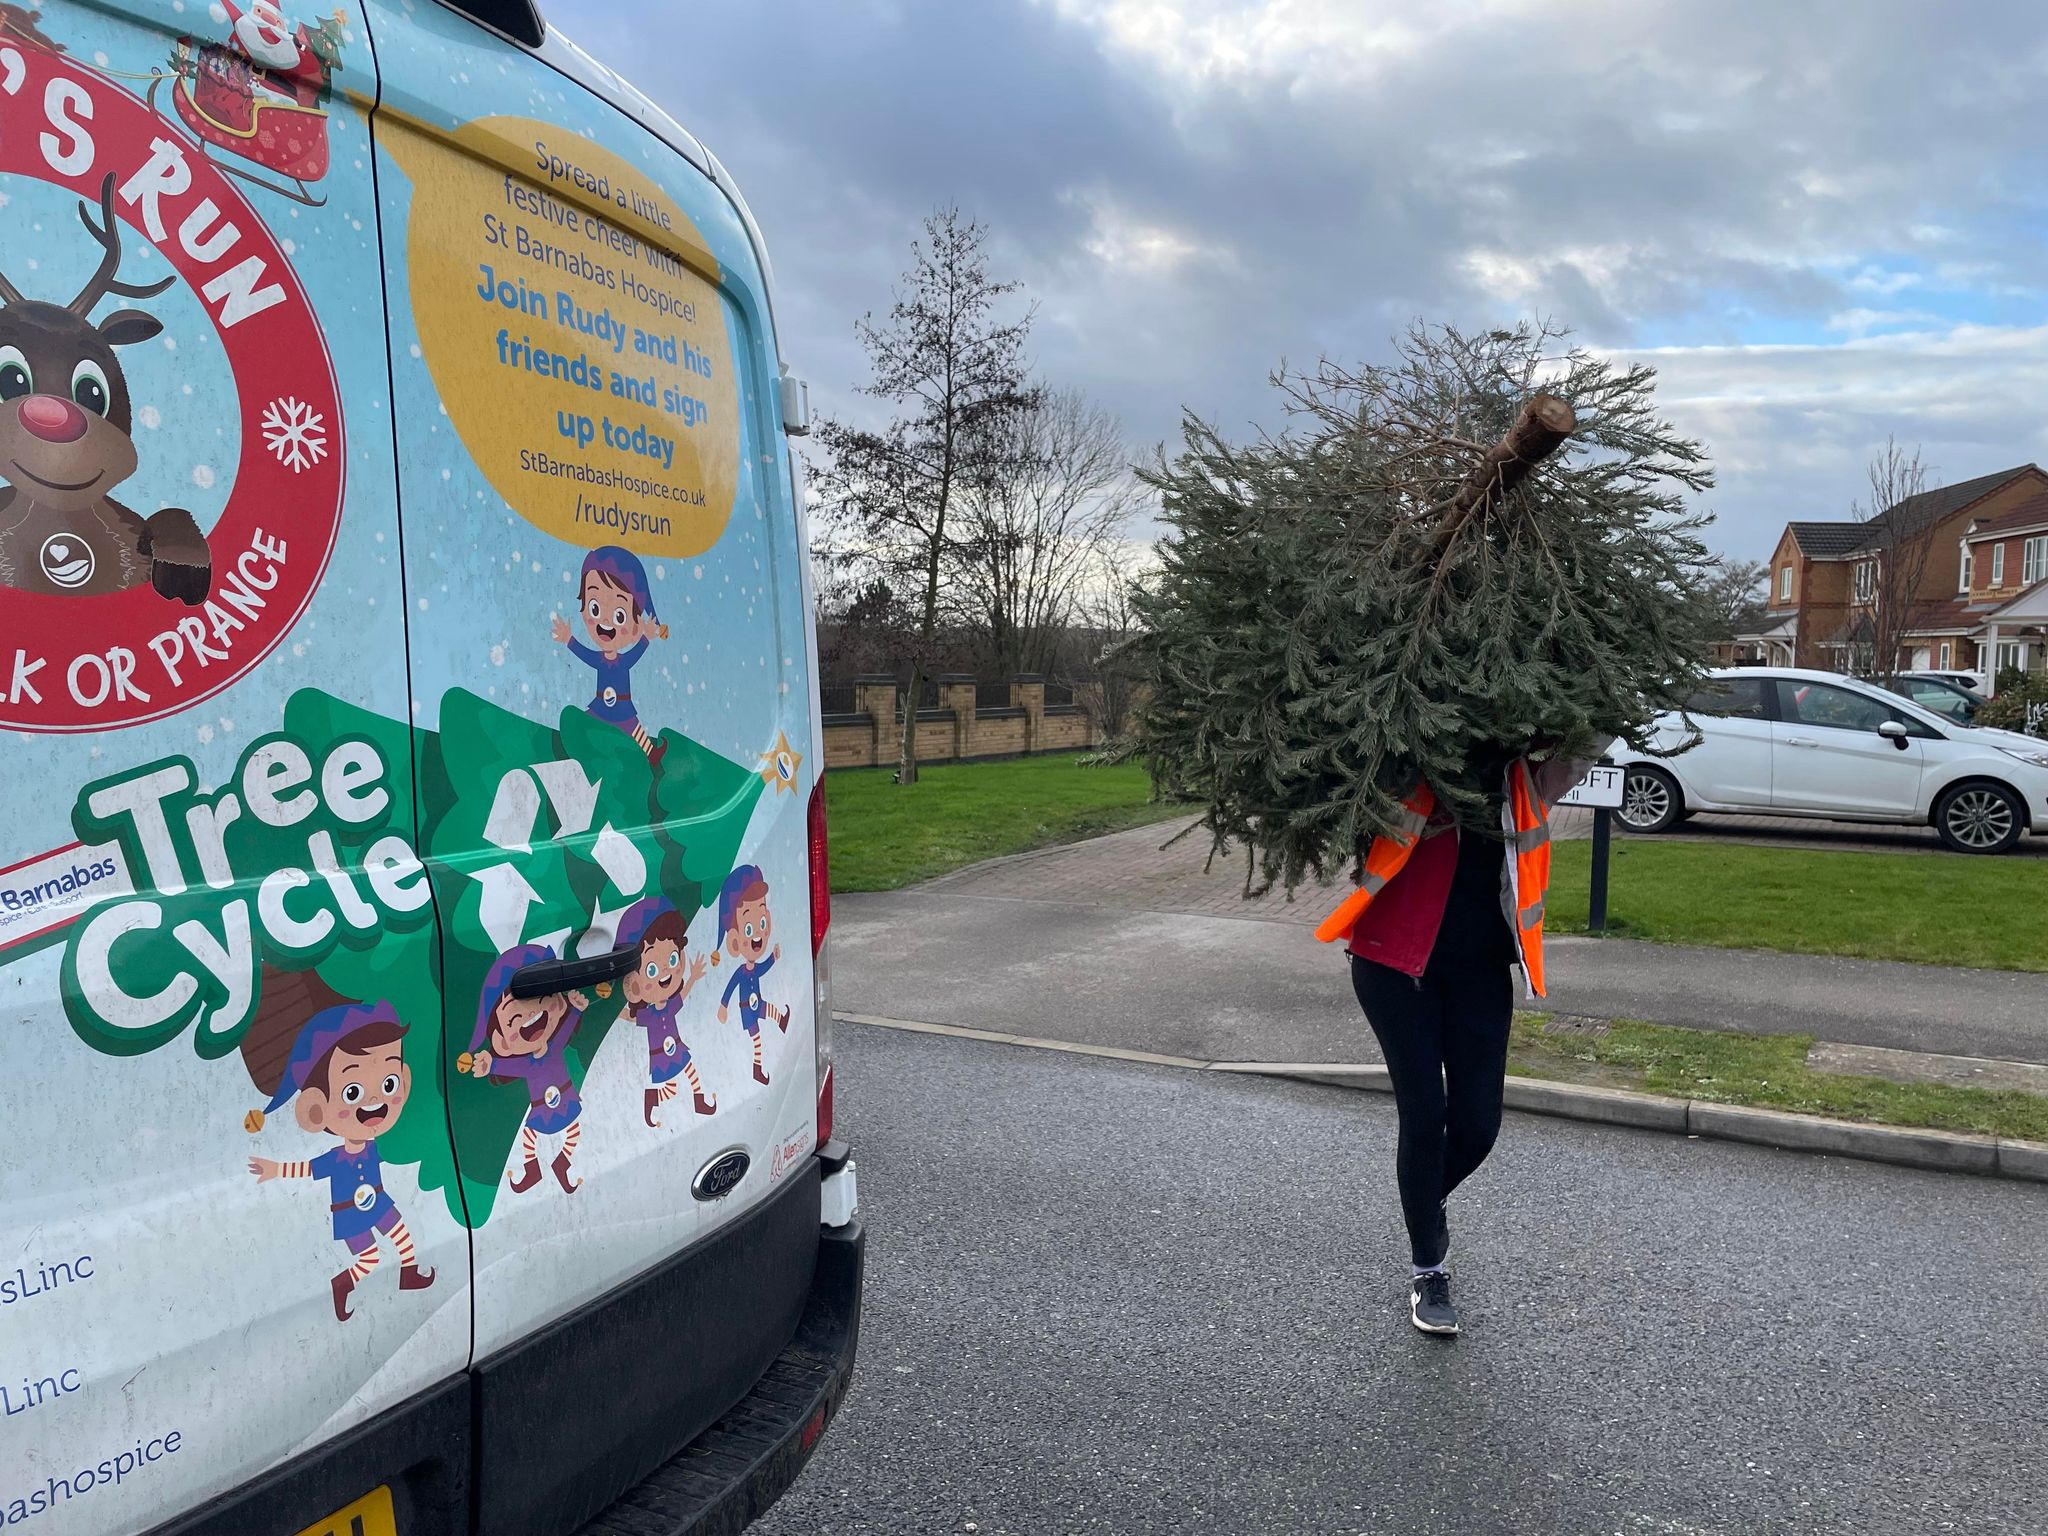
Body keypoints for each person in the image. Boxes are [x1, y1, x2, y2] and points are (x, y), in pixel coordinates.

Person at [1315, 741, 1603, 1337]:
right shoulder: (1404, 761)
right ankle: (1429, 1269)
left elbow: (1585, 740)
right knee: (1424, 1116)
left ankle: (1423, 1199)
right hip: (1395, 964)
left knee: (1478, 1126)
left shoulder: (1526, 780)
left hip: (1481, 973)